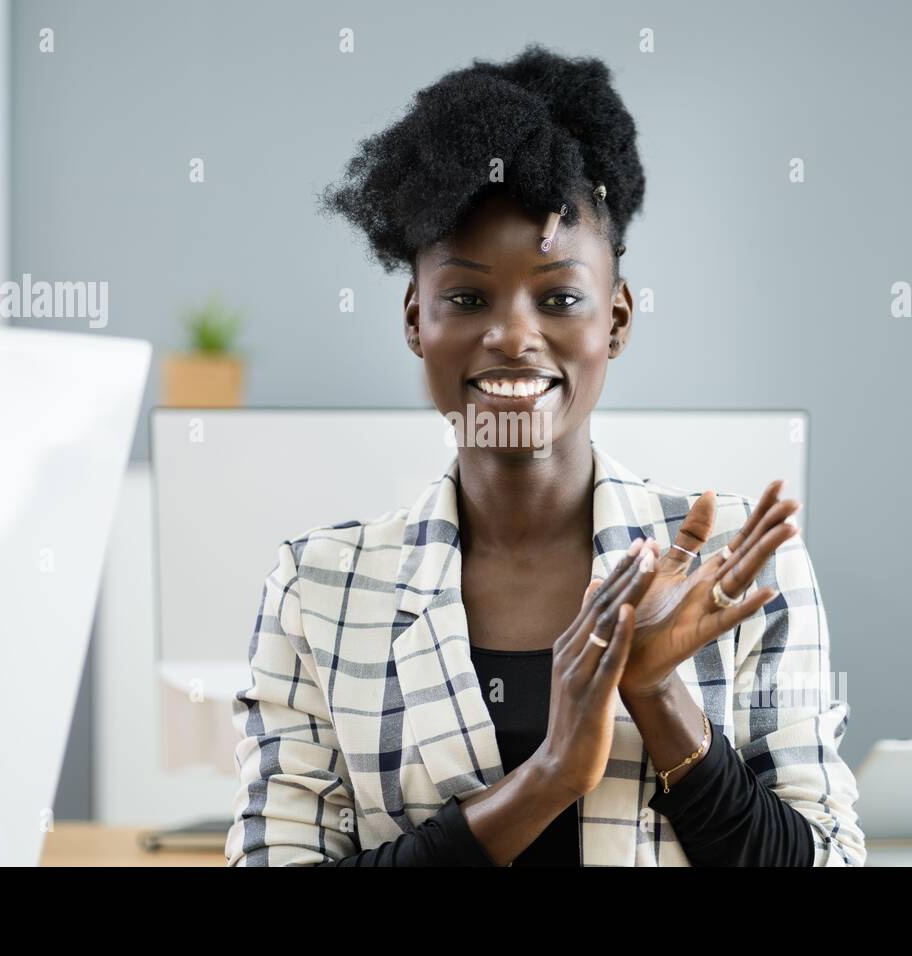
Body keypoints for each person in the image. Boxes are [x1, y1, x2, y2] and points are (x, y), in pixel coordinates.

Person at [225, 44, 864, 867]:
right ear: (415, 318)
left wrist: (659, 695)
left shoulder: (739, 566)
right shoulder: (318, 588)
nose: (514, 336)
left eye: (560, 296)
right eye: (466, 298)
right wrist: (550, 778)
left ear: (617, 320)